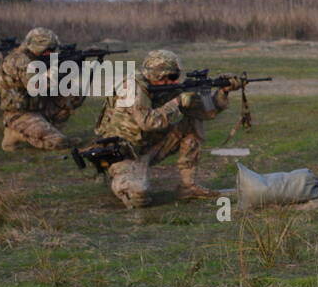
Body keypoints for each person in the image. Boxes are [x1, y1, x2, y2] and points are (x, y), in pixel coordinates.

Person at [94, 48, 235, 207]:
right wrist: (177, 102)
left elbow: (207, 113)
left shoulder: (167, 87)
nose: (175, 81)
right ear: (157, 74)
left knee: (191, 121)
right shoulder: (132, 87)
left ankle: (188, 187)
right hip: (122, 153)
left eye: (176, 76)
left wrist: (222, 91)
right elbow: (147, 122)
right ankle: (118, 177)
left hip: (147, 148)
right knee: (139, 197)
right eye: (171, 76)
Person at [0, 27, 79, 150]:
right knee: (59, 143)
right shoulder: (19, 61)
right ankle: (14, 134)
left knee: (73, 93)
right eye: (46, 51)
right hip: (19, 113)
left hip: (39, 106)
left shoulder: (36, 58)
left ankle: (52, 129)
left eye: (52, 50)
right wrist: (55, 70)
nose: (49, 54)